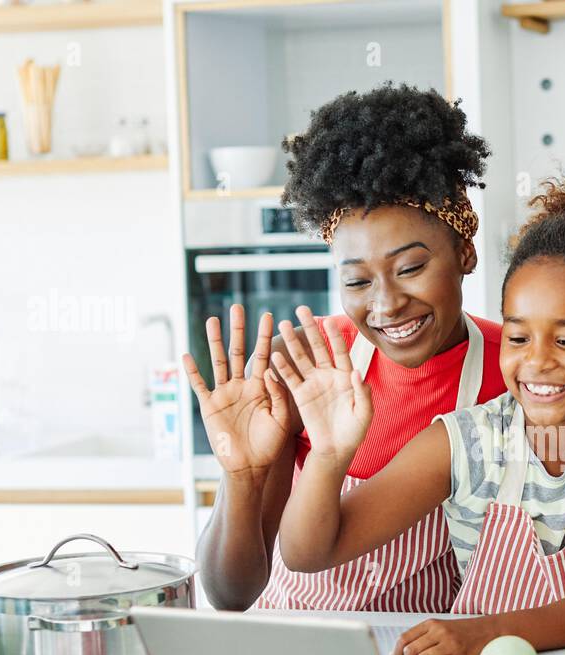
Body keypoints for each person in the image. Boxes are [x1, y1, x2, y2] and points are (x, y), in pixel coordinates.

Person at [270, 173, 565, 655]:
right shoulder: (466, 438)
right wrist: (330, 456)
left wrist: (483, 634)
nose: (537, 363)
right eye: (517, 337)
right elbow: (309, 552)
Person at [185, 84, 507, 612]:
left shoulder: (513, 368)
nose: (386, 304)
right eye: (358, 281)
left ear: (464, 253)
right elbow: (229, 592)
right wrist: (241, 476)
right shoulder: (309, 364)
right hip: (296, 644)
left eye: (410, 269)